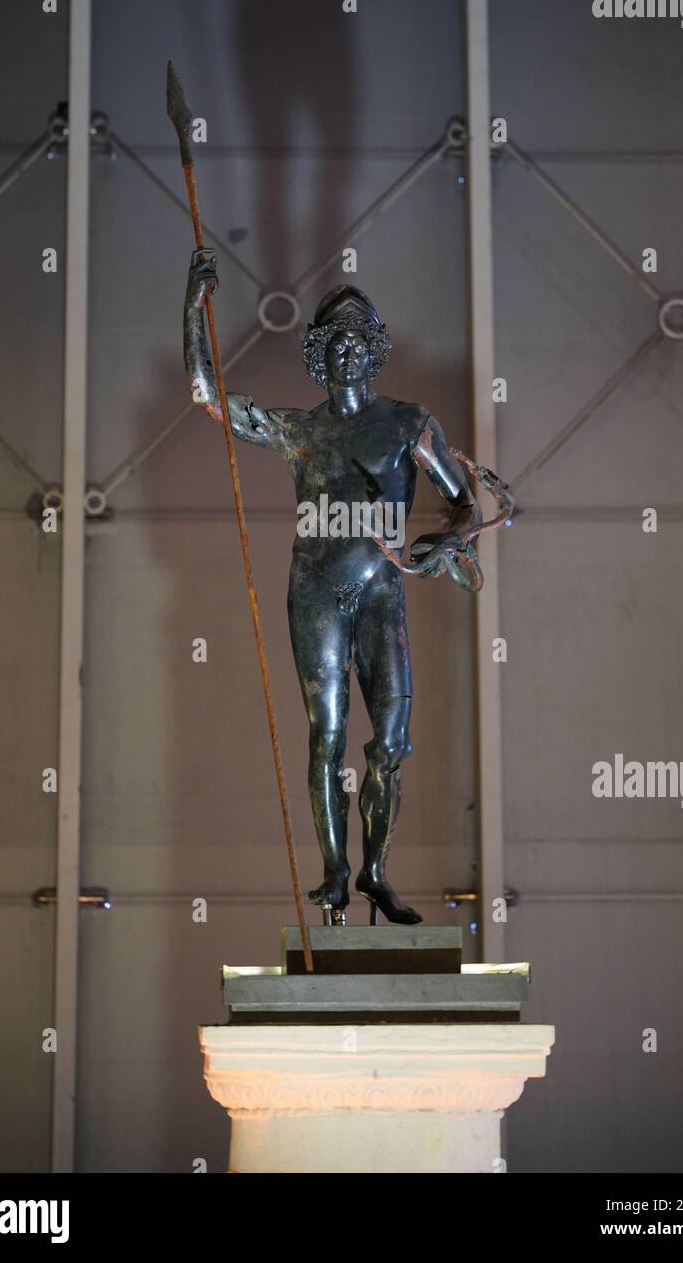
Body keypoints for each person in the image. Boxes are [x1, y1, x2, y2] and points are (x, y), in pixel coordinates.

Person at [184, 248, 482, 923]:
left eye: (357, 345)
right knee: (326, 734)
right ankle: (335, 874)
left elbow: (468, 504)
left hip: (381, 590)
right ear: (319, 357)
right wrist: (194, 303)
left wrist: (452, 540)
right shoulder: (300, 429)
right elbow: (205, 394)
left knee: (392, 742)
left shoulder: (407, 423)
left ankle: (376, 869)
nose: (347, 356)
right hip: (315, 589)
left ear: (373, 353)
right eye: (335, 346)